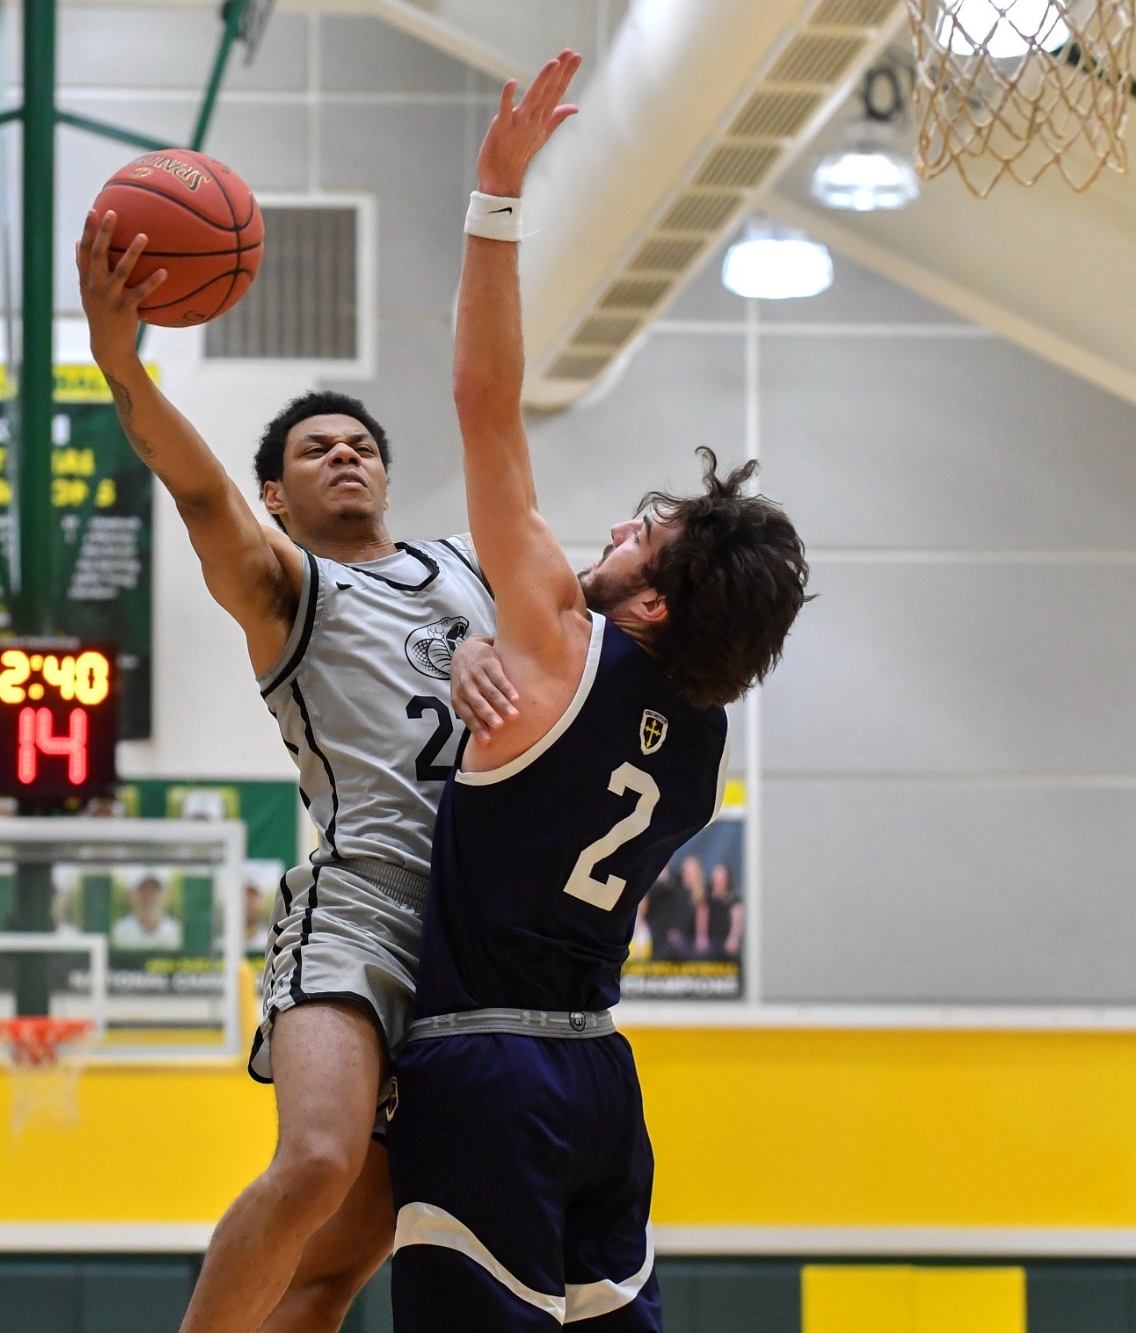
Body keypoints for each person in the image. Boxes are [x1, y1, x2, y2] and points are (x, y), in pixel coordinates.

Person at [387, 52, 809, 1329]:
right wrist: (524, 624)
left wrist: (494, 196)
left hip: (485, 1065)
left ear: (655, 602)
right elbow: (597, 647)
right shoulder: (700, 733)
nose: (625, 521)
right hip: (598, 1077)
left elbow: (482, 402)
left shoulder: (554, 646)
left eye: (647, 530)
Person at [78, 215, 515, 1331]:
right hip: (359, 904)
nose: (344, 453)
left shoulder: (470, 571)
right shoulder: (287, 586)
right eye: (314, 449)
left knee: (341, 1263)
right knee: (317, 1158)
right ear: (277, 494)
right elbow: (196, 491)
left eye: (359, 442)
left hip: (474, 935)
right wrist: (119, 363)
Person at [111, 874, 184, 951]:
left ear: (166, 897)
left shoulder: (177, 931)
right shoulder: (119, 931)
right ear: (131, 897)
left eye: (154, 891)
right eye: (142, 891)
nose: (148, 898)